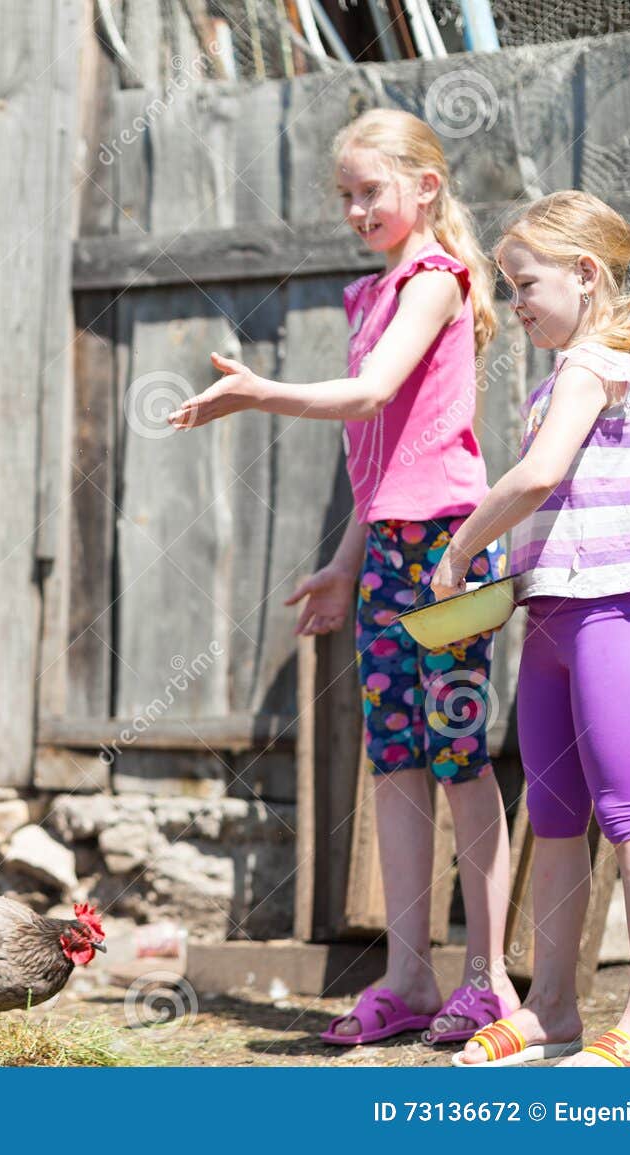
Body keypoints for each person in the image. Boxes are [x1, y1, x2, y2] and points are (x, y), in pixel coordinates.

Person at [170, 108, 517, 1045]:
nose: (359, 209)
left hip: (448, 554)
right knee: (397, 760)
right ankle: (408, 978)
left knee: (457, 758)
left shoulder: (436, 282)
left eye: (374, 191)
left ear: (426, 188)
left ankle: (491, 985)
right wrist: (343, 563)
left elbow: (368, 397)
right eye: (348, 196)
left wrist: (257, 393)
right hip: (389, 557)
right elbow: (381, 453)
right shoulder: (372, 294)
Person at [432, 190, 630, 1068]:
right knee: (553, 815)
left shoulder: (598, 365)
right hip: (548, 618)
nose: (515, 304)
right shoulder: (559, 379)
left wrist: (465, 544)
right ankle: (551, 1005)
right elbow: (564, 508)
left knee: (627, 810)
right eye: (507, 287)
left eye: (524, 284)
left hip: (609, 616)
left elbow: (539, 477)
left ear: (587, 275)